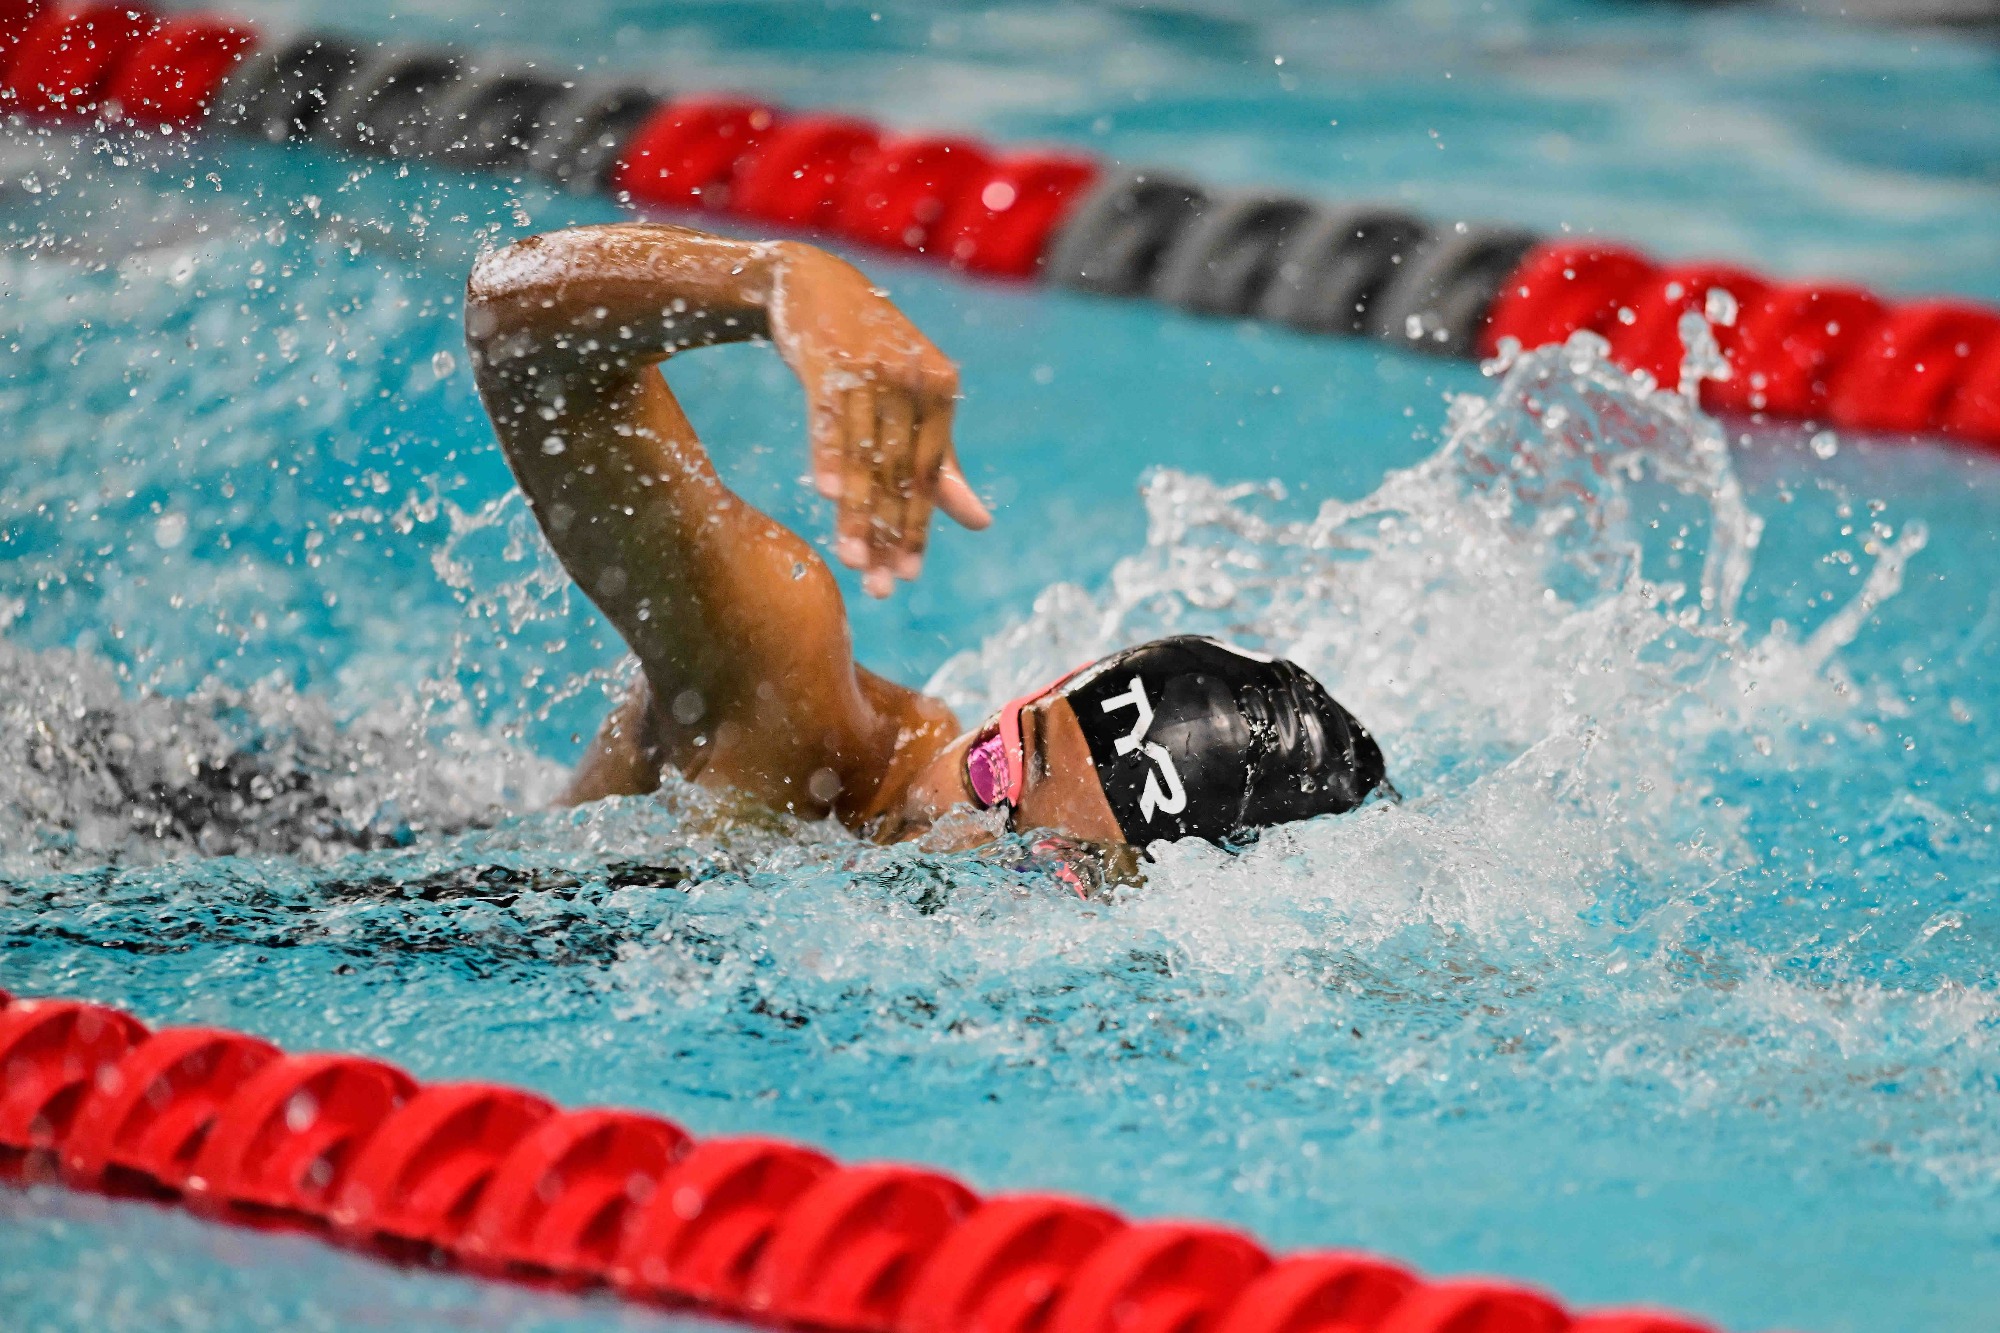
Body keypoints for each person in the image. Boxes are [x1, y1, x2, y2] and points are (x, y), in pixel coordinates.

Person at [464, 223, 1386, 854]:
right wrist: (777, 282)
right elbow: (515, 332)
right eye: (994, 766)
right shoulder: (793, 715)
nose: (969, 841)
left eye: (1051, 873)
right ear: (1022, 702)